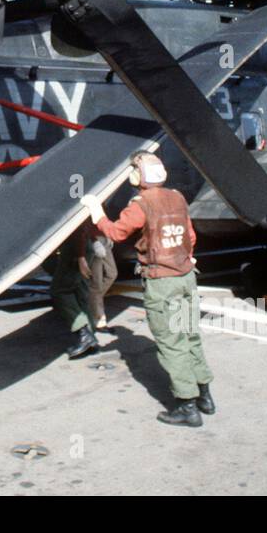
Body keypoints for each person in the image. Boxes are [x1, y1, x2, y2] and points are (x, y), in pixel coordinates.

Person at [81, 152, 214, 427]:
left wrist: (97, 213)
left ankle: (187, 406)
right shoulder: (177, 197)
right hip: (186, 276)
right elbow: (190, 236)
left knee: (171, 343)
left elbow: (117, 233)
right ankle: (205, 396)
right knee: (190, 336)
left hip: (161, 281)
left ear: (137, 176)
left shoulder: (141, 204)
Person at [46, 226, 99, 359]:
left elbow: (77, 227)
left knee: (59, 290)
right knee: (81, 291)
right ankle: (90, 336)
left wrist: (80, 256)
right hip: (83, 245)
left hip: (75, 249)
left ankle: (84, 334)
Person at [82, 223, 118, 331]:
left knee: (112, 273)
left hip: (104, 237)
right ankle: (100, 322)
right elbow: (84, 223)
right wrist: (94, 241)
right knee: (96, 283)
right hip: (92, 240)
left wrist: (109, 234)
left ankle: (91, 300)